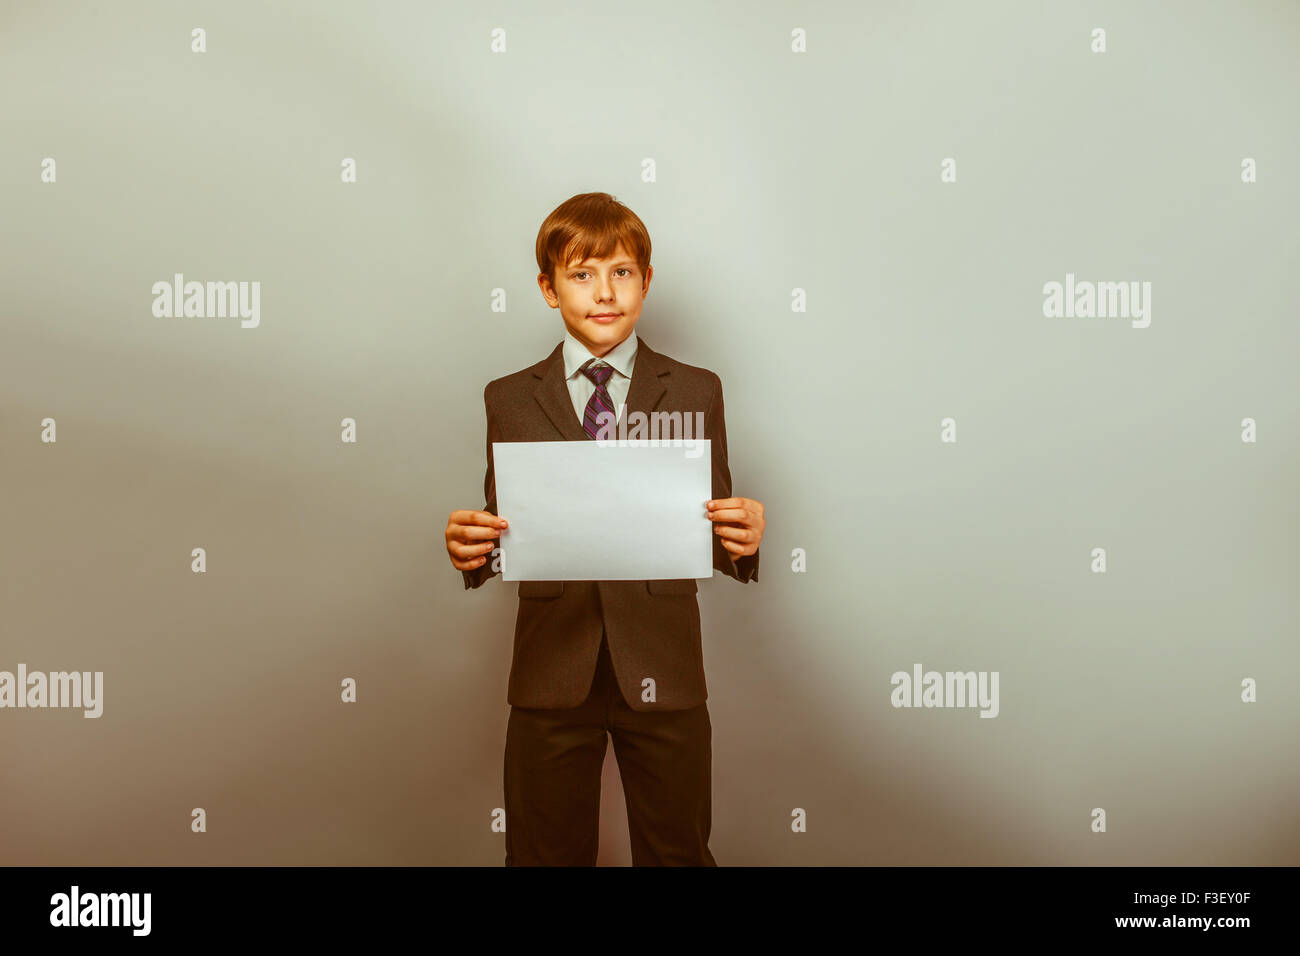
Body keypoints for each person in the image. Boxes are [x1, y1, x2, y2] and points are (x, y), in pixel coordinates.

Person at [444, 192, 766, 865]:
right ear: (548, 288)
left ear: (646, 283)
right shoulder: (507, 397)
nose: (604, 292)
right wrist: (472, 551)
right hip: (551, 667)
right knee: (542, 856)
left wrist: (744, 534)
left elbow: (709, 520)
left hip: (663, 663)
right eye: (582, 274)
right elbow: (506, 529)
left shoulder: (695, 389)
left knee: (677, 852)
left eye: (621, 272)